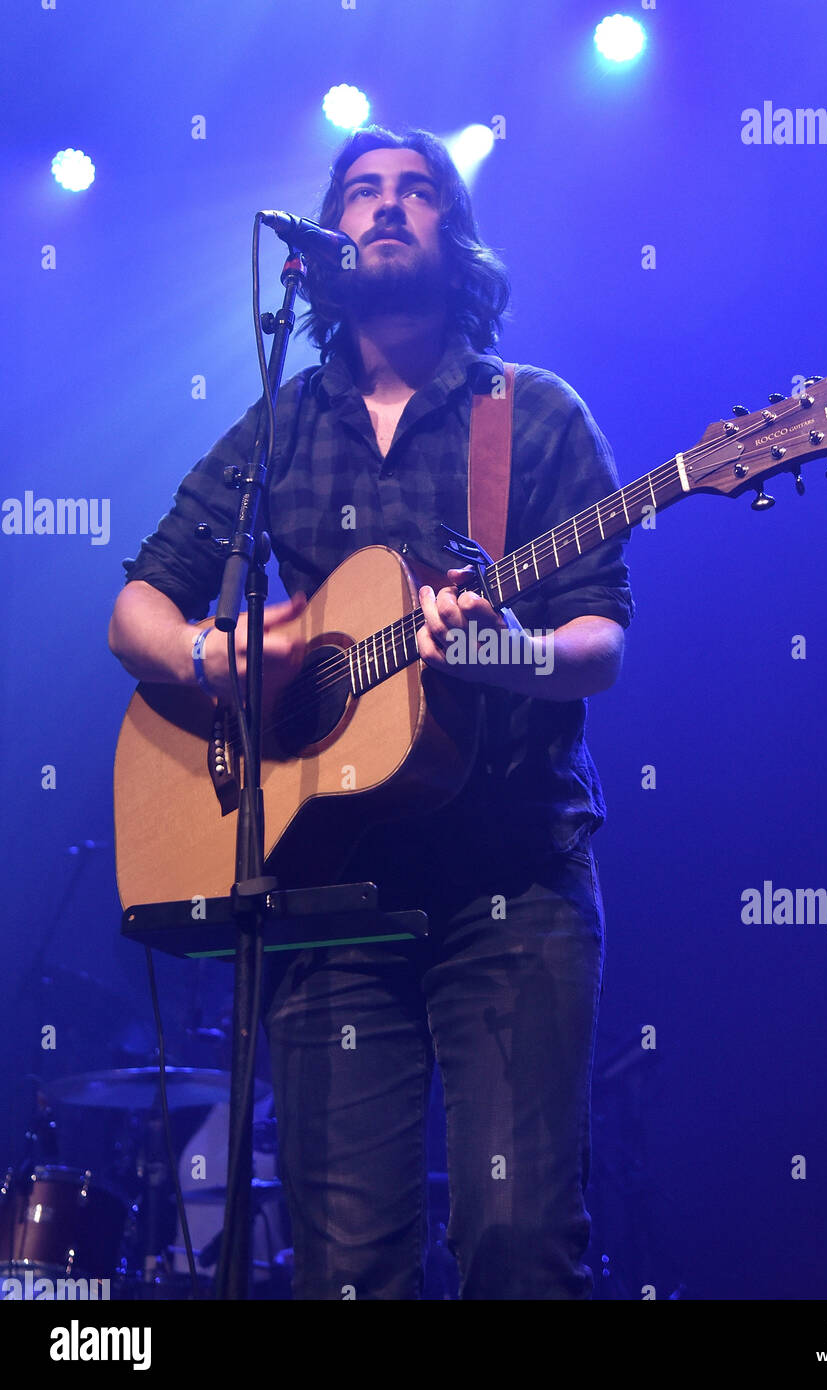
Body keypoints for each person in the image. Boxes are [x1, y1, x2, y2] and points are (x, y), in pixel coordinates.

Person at [108, 125, 635, 1299]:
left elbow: (598, 641)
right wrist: (218, 649)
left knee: (514, 1241)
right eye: (360, 192)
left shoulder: (534, 415)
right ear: (325, 243)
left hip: (511, 885)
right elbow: (135, 609)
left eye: (416, 192)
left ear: (457, 238)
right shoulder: (279, 427)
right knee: (345, 1266)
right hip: (325, 891)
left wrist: (508, 653)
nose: (386, 207)